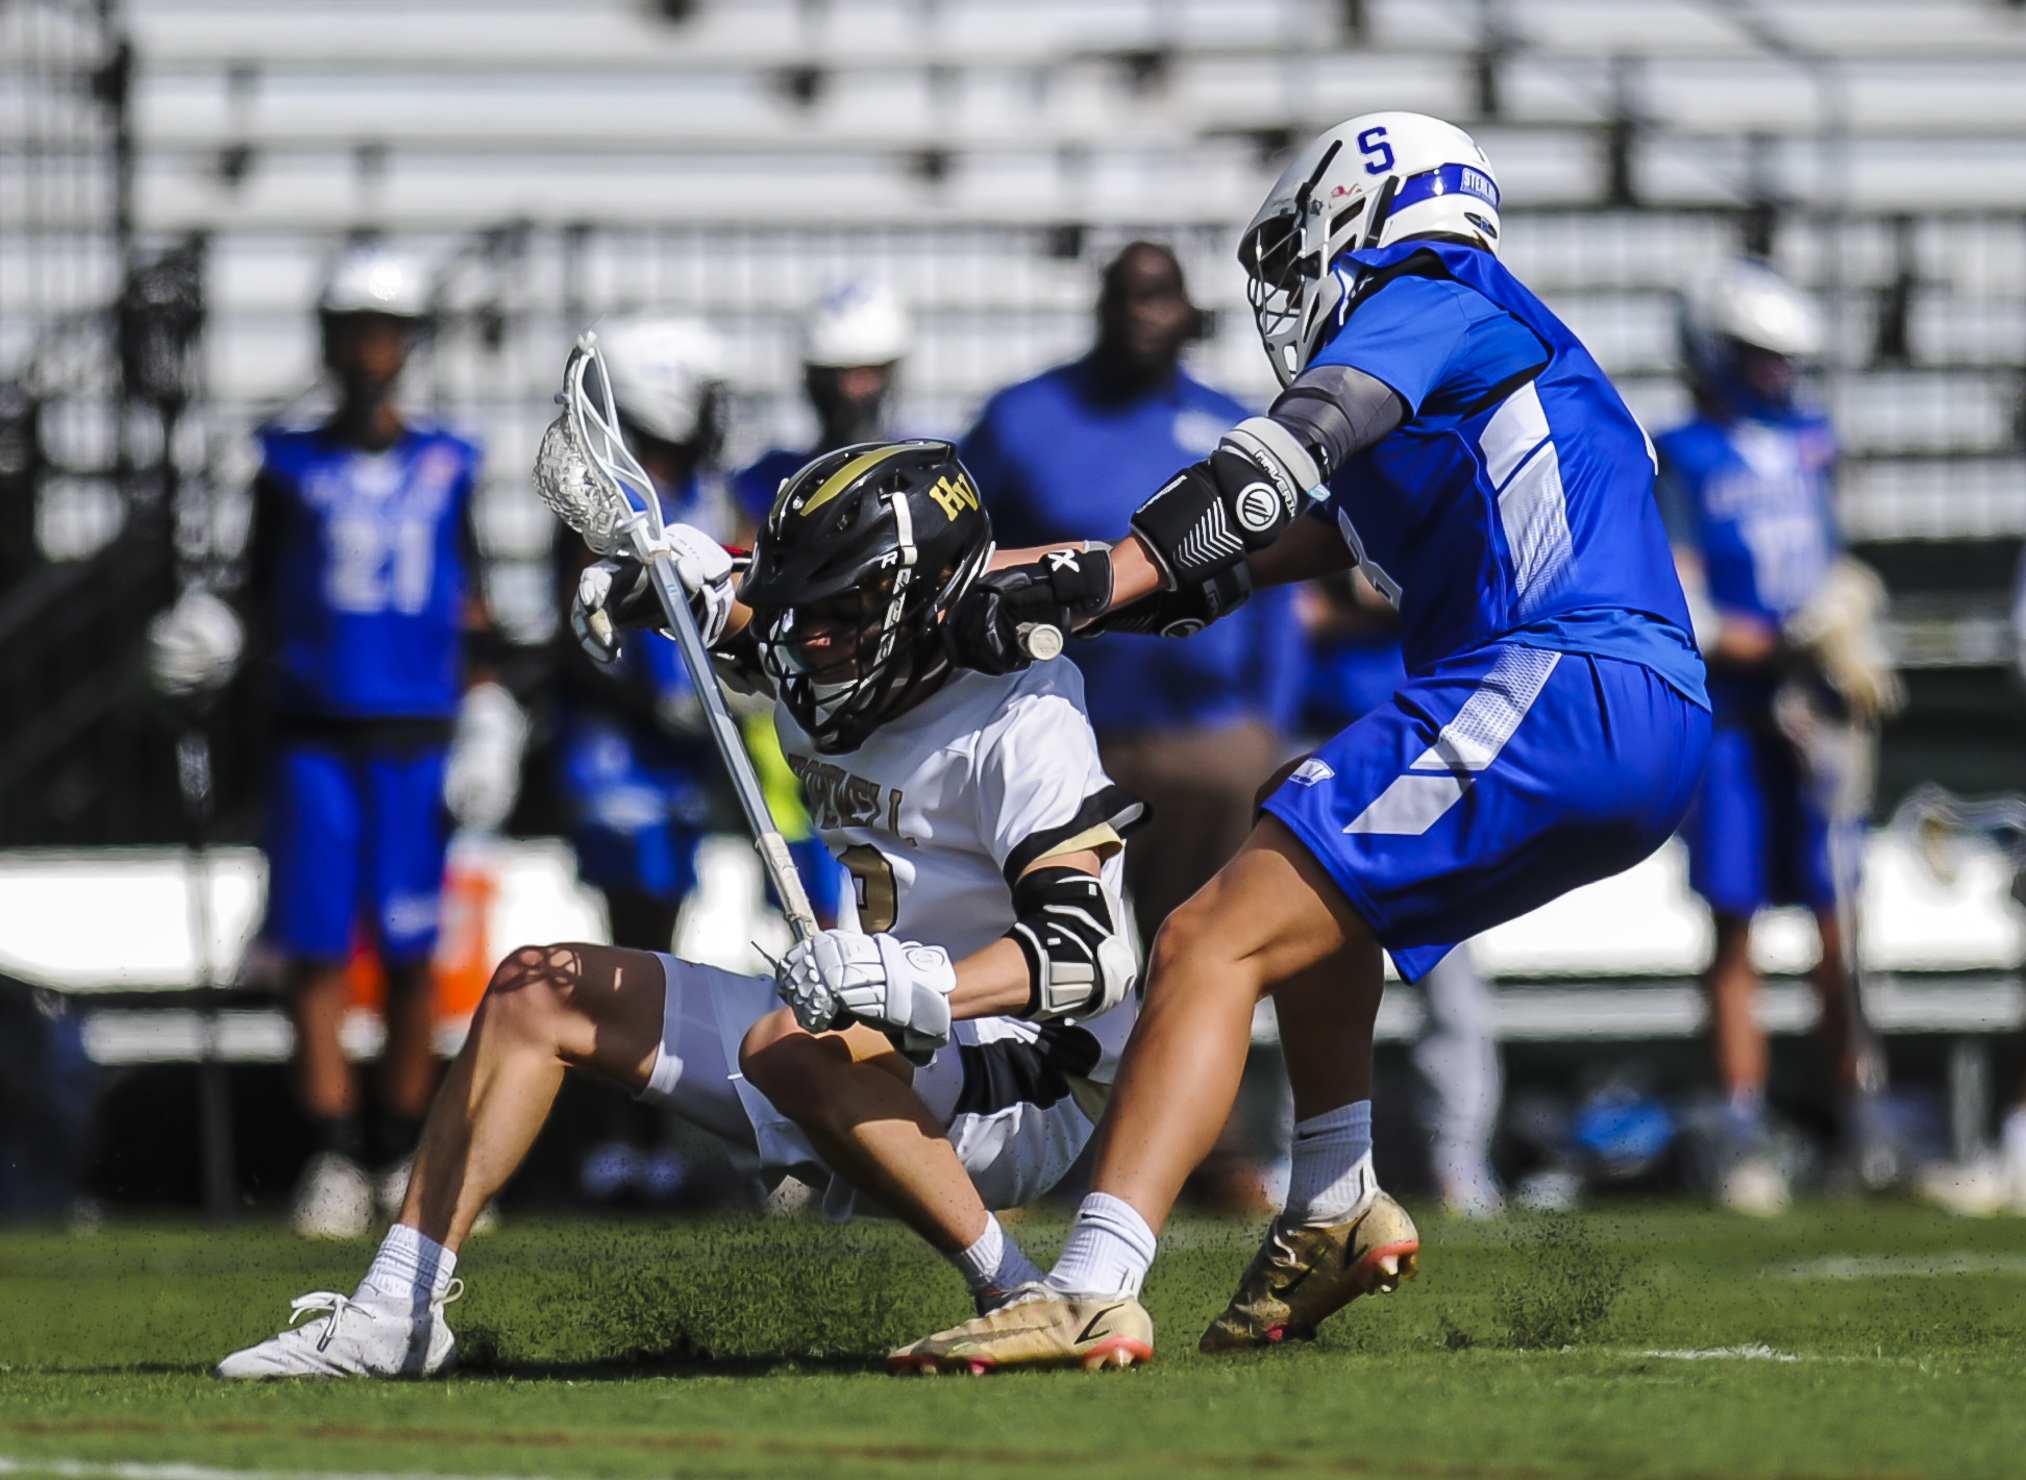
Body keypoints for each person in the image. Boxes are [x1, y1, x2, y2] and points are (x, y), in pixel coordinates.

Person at [896, 110, 1712, 1371]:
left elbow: (1261, 477)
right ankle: (1331, 1197)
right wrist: (947, 586)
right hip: (1621, 709)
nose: (1288, 290)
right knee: (1299, 827)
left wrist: (1107, 572)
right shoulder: (1483, 377)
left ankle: (1094, 1281)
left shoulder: (1436, 292)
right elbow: (1209, 572)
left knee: (1205, 940)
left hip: (1565, 679)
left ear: (1361, 210)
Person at [214, 440, 1146, 1379]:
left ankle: (1017, 1290)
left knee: (789, 1042)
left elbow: (1093, 957)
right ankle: (396, 1310)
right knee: (538, 990)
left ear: (925, 601)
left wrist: (914, 975)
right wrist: (660, 588)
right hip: (873, 1028)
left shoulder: (1025, 722)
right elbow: (746, 628)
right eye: (799, 607)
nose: (806, 637)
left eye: (838, 608)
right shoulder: (844, 654)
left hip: (1026, 1073)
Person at [961, 241, 1304, 958]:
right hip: (1063, 729)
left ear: (1188, 312)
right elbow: (965, 552)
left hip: (1206, 743)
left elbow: (1277, 581)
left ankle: (1198, 1076)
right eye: (1129, 296)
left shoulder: (1231, 427)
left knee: (1202, 955)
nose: (1144, 314)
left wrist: (1261, 724)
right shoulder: (1023, 418)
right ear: (1102, 308)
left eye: (1161, 295)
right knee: (1064, 954)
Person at [246, 244, 488, 1239]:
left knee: (408, 948)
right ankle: (336, 1147)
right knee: (312, 948)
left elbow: (472, 603)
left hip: (415, 733)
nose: (370, 353)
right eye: (355, 333)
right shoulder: (283, 463)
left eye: (384, 333)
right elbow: (248, 592)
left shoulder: (450, 462)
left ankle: (400, 1147)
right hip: (312, 729)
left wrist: (488, 713)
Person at [1657, 257, 1905, 1214]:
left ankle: (1859, 1111)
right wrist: (1772, 639)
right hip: (1735, 715)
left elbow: (1832, 558)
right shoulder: (1685, 453)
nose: (1774, 374)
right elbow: (1688, 595)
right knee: (1736, 922)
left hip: (1816, 714)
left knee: (1841, 916)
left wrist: (1843, 623)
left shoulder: (1809, 443)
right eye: (1757, 355)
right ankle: (1744, 1121)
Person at [1300, 572, 1503, 1218]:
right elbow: (1298, 613)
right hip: (1319, 736)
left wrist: (1358, 601)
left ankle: (1459, 1155)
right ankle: (1306, 1158)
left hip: (1423, 745)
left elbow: (1434, 595)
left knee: (1447, 966)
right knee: (1302, 965)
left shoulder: (1421, 476)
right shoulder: (1303, 487)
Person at [733, 279, 911, 534]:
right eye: (841, 374)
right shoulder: (771, 479)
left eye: (869, 372)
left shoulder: (927, 467)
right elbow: (743, 565)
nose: (853, 390)